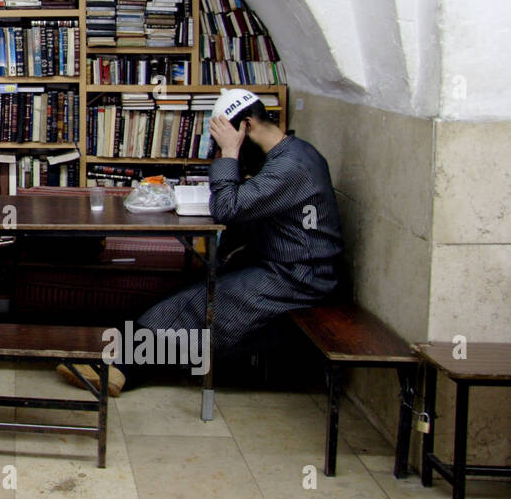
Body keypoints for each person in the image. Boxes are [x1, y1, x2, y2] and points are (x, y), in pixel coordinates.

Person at [60, 88, 344, 395]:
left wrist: (231, 155)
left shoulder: (290, 166)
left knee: (198, 306)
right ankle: (114, 362)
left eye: (224, 139)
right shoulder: (293, 152)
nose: (219, 149)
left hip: (300, 278)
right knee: (184, 293)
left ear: (245, 126)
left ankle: (121, 373)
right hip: (285, 266)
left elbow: (227, 208)